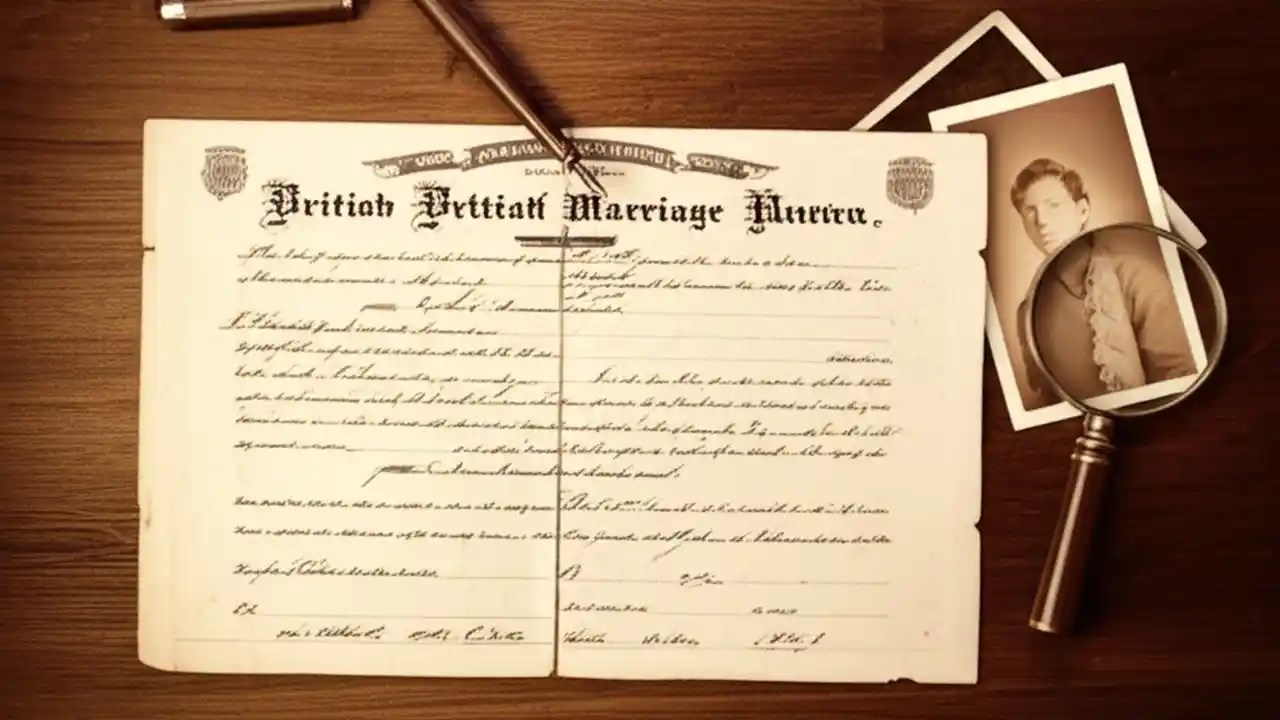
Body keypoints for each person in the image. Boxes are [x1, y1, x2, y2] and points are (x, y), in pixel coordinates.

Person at [1009, 158, 1197, 410]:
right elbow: (1047, 402)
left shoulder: (1138, 277)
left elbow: (1179, 378)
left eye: (1053, 205)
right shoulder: (1029, 312)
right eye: (1029, 211)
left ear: (1083, 211)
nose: (1041, 220)